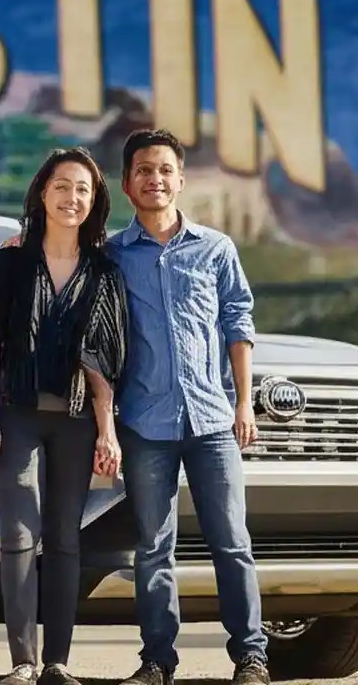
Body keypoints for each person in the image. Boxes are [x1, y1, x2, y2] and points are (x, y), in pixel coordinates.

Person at [110, 129, 269, 685]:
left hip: (212, 420)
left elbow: (238, 324)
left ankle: (251, 656)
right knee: (153, 548)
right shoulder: (111, 255)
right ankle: (157, 661)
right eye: (143, 171)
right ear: (128, 183)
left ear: (180, 179)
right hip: (142, 423)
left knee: (232, 542)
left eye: (164, 170)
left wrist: (244, 403)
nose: (155, 179)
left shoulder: (216, 249)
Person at [0, 147, 129, 685]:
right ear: (43, 193)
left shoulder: (105, 270)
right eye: (62, 186)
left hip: (77, 419)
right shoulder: (10, 261)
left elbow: (104, 360)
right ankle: (22, 661)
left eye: (83, 189)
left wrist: (106, 430)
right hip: (15, 415)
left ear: (95, 201)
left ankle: (58, 663)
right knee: (18, 534)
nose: (72, 198)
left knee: (66, 538)